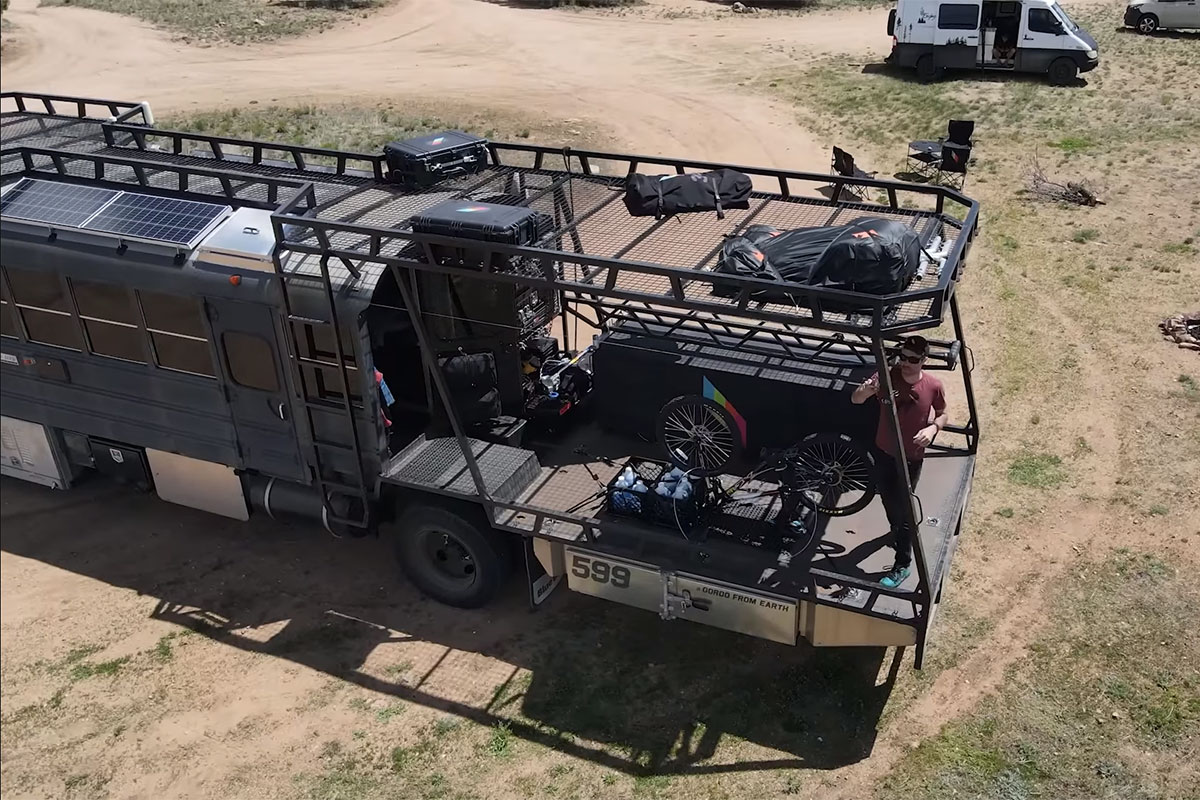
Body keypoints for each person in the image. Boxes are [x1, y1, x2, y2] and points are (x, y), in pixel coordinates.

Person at [851, 335, 948, 589]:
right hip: (883, 452)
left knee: (904, 511)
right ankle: (897, 532)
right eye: (903, 357)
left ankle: (902, 565)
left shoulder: (933, 386)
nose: (905, 363)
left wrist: (933, 429)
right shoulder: (886, 375)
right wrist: (866, 390)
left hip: (911, 458)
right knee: (888, 500)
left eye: (913, 360)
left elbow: (943, 413)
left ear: (924, 361)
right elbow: (856, 400)